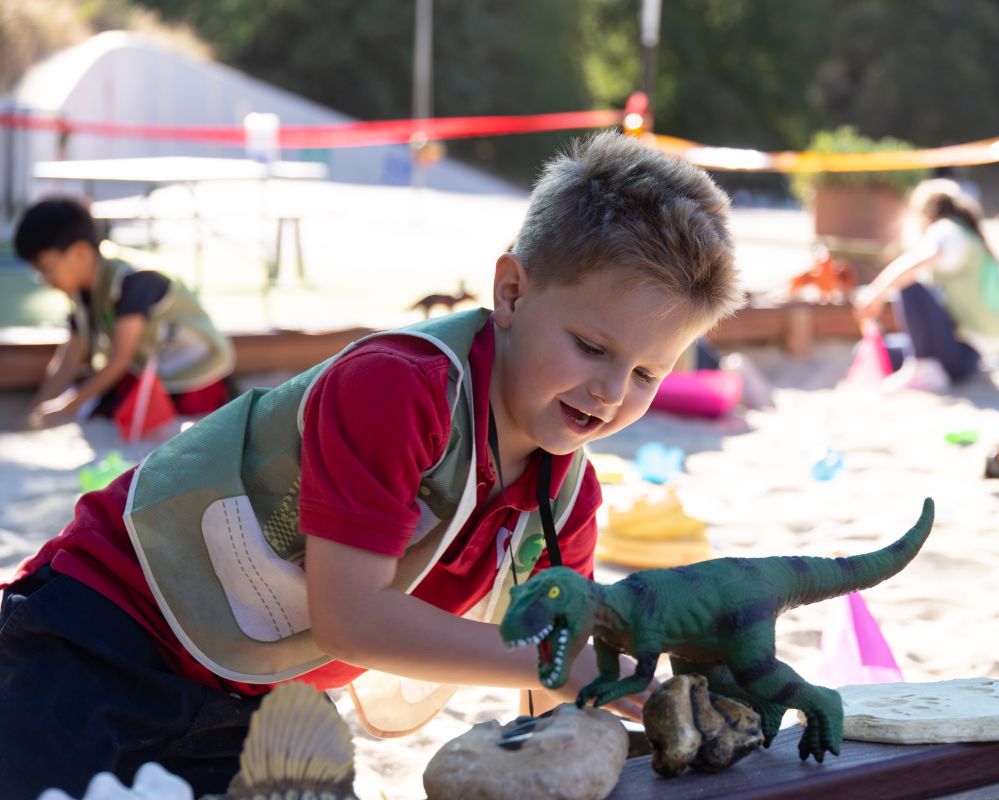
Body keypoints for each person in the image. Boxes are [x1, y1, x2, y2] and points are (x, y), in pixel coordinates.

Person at [0, 131, 743, 798]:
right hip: (103, 633)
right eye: (592, 347)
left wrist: (625, 710)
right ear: (511, 292)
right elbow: (354, 621)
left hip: (254, 693)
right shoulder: (401, 387)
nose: (612, 393)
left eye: (648, 374)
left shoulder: (566, 500)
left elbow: (553, 689)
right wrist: (555, 664)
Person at [13, 196, 235, 430]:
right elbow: (69, 358)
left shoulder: (131, 280)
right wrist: (36, 408)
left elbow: (120, 358)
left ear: (80, 253)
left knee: (120, 410)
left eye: (47, 269)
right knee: (101, 400)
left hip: (193, 373)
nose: (45, 280)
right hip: (150, 369)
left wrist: (66, 408)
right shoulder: (82, 291)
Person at [854, 178, 999, 392]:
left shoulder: (947, 232)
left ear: (926, 215)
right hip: (967, 356)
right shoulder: (965, 234)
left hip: (963, 354)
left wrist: (876, 293)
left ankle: (923, 367)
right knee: (879, 351)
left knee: (909, 283)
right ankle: (924, 365)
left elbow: (911, 263)